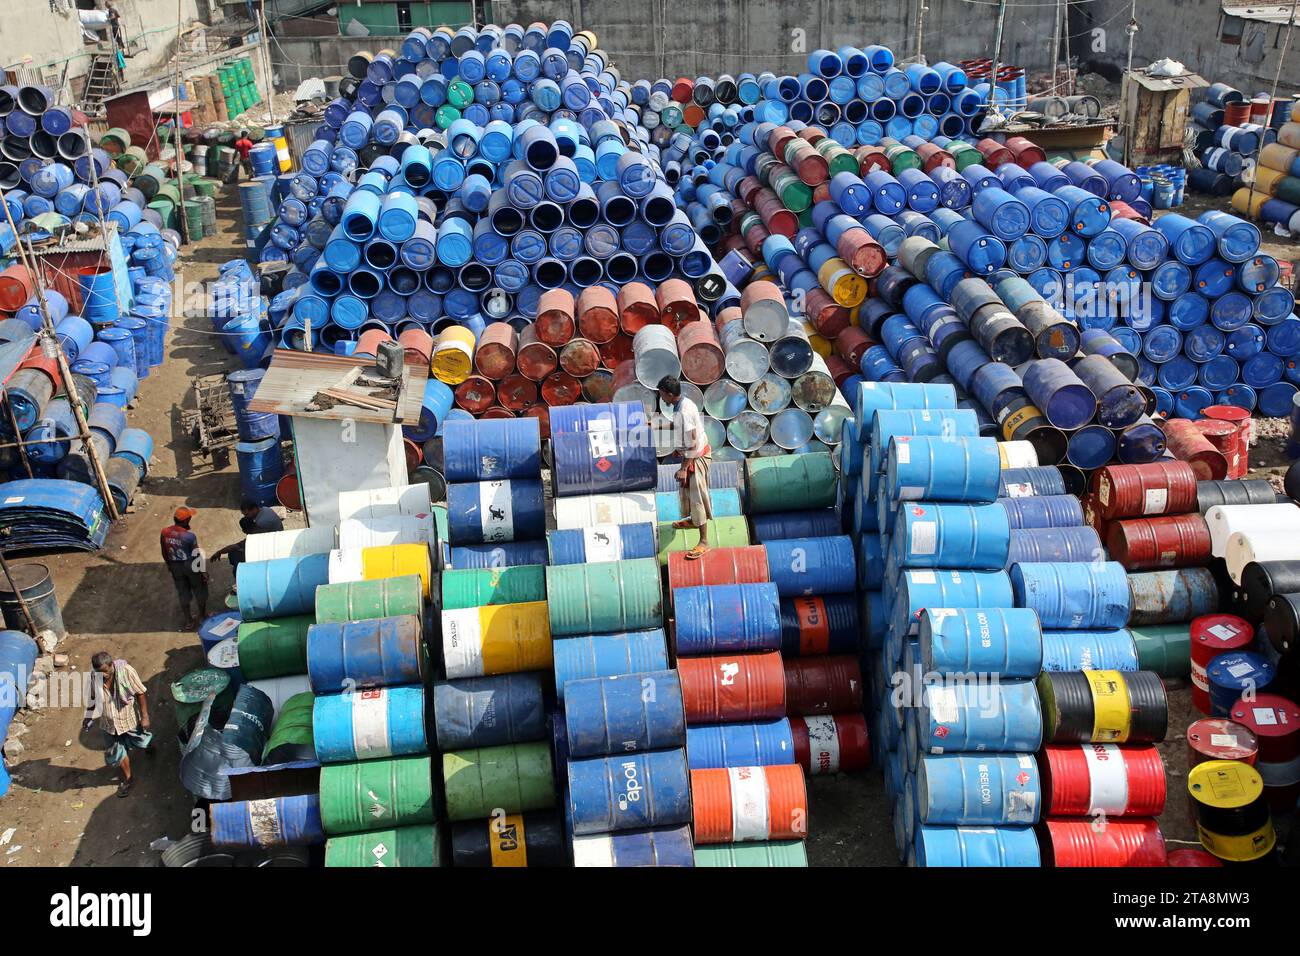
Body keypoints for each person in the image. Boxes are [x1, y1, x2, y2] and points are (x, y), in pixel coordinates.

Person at [82, 652, 152, 798]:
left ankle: (149, 746)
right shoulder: (94, 677)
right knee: (117, 752)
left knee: (142, 740)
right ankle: (128, 778)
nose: (104, 675)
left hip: (128, 719)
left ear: (112, 665)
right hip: (108, 724)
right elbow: (92, 698)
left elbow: (140, 693)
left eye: (106, 671)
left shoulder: (127, 671)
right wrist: (88, 716)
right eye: (100, 672)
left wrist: (144, 716)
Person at [658, 375, 713, 560]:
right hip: (691, 453)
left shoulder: (683, 411)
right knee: (687, 492)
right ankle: (693, 520)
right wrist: (658, 426)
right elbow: (680, 427)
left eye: (662, 395)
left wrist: (683, 468)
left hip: (696, 457)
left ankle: (704, 542)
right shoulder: (683, 403)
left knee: (697, 497)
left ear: (669, 394)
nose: (661, 398)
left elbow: (692, 443)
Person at [160, 506, 208, 630]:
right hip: (190, 565)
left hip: (175, 566)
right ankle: (202, 616)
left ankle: (188, 621)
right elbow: (196, 554)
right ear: (186, 520)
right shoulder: (189, 536)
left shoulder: (164, 532)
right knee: (199, 588)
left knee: (183, 592)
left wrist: (169, 565)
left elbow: (164, 552)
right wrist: (203, 572)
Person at [212, 498, 283, 572]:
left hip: (275, 547)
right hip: (276, 537)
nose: (246, 517)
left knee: (235, 555)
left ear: (254, 509)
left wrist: (219, 552)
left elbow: (238, 546)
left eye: (246, 514)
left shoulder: (260, 526)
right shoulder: (265, 509)